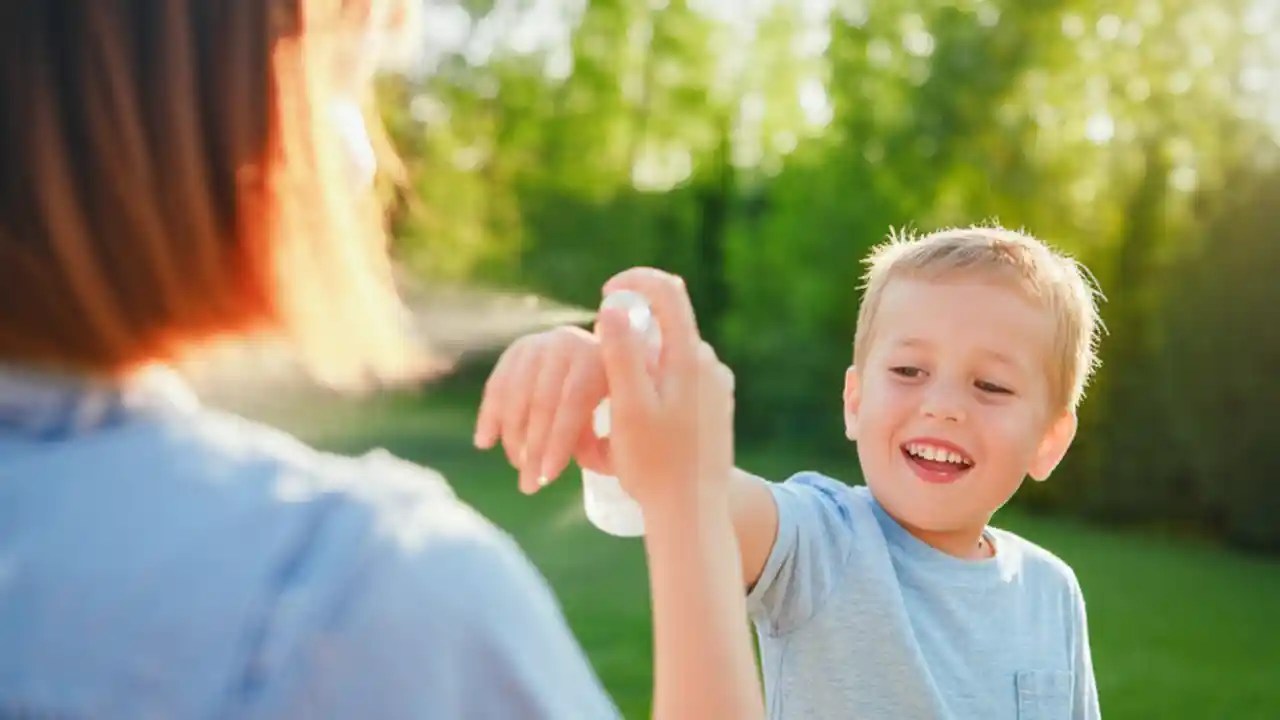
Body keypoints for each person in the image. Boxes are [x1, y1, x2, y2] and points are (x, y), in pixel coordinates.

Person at [0, 2, 762, 718]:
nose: (367, 162)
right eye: (342, 75)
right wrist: (685, 498)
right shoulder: (346, 601)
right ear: (174, 94)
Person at [478, 226, 1105, 719]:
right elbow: (695, 489)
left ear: (1049, 441)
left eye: (990, 385)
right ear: (854, 402)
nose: (942, 405)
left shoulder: (1054, 593)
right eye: (908, 371)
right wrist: (609, 385)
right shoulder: (820, 539)